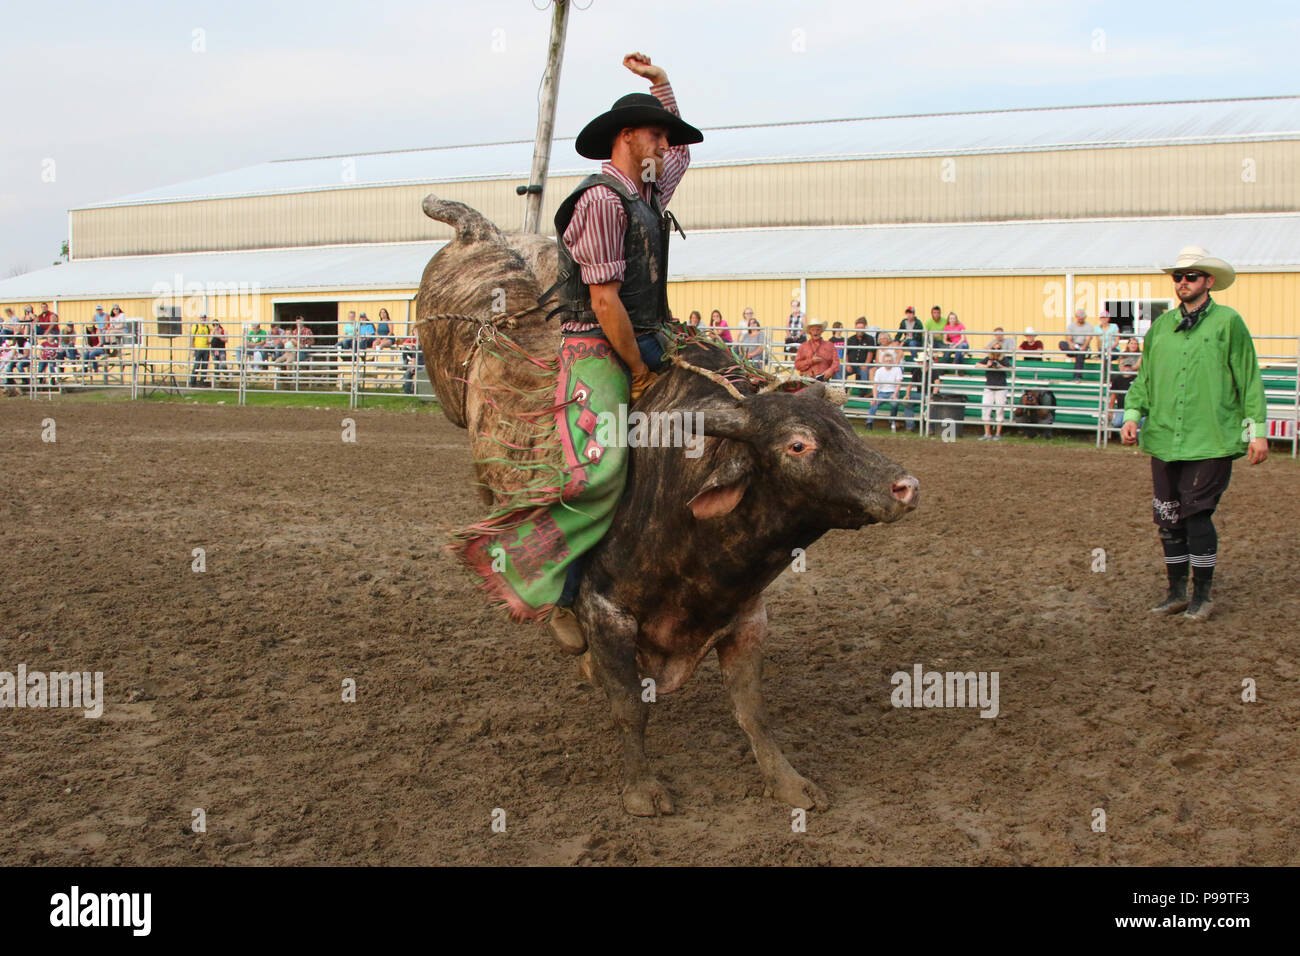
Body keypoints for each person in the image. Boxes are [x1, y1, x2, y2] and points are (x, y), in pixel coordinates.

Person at [453, 51, 700, 653]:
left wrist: (664, 87)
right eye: (656, 134)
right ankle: (543, 580)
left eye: (666, 137)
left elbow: (686, 156)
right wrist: (639, 369)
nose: (666, 146)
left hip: (652, 337)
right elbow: (606, 300)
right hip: (600, 348)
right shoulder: (599, 202)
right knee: (603, 467)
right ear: (627, 138)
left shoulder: (644, 189)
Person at [1120, 246, 1268, 622]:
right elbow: (1145, 380)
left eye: (1191, 276)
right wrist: (1133, 414)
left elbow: (1248, 379)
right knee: (1168, 517)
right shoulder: (1160, 328)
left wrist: (1257, 431)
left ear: (1209, 282)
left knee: (1197, 513)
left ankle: (1203, 595)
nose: (1183, 283)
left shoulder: (1228, 323)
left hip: (1211, 438)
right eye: (1178, 277)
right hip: (1166, 437)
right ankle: (1176, 592)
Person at [976, 327, 1012, 441]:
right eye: (994, 348)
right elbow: (977, 365)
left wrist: (1000, 367)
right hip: (989, 386)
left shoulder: (1003, 359)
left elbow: (1011, 369)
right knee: (986, 409)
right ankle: (987, 433)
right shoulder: (988, 358)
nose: (996, 350)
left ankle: (998, 434)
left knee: (999, 410)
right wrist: (987, 365)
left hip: (1001, 387)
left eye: (998, 348)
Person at [867, 347, 913, 431]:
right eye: (886, 361)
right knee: (874, 403)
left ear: (892, 361)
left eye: (890, 361)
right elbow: (875, 385)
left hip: (892, 392)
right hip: (881, 393)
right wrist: (875, 397)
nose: (888, 362)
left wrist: (895, 394)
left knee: (894, 403)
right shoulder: (879, 371)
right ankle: (869, 423)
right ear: (883, 362)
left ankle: (892, 422)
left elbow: (899, 383)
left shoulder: (897, 369)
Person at [1108, 336, 1141, 426]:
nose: (1133, 345)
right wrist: (1127, 370)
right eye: (1132, 343)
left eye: (1135, 343)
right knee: (1117, 423)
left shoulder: (1141, 355)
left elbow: (1138, 366)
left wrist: (1129, 370)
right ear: (1128, 344)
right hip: (1124, 379)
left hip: (1135, 377)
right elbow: (1121, 366)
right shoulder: (1123, 354)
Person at [1059, 308, 1096, 381]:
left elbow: (1088, 339)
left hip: (1083, 347)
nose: (1080, 318)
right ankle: (1076, 352)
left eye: (1082, 317)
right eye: (1079, 316)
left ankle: (1077, 376)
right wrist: (1071, 344)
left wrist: (1083, 347)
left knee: (1080, 353)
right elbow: (1068, 337)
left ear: (1085, 317)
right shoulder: (1071, 326)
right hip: (1073, 346)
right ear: (1076, 317)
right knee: (1062, 343)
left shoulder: (1089, 326)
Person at [845, 317, 875, 384]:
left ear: (865, 328)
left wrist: (866, 364)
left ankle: (862, 393)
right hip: (851, 364)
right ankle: (842, 390)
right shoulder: (850, 339)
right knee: (840, 369)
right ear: (855, 328)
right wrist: (847, 365)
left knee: (864, 372)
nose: (860, 330)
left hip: (863, 364)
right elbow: (846, 353)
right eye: (858, 328)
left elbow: (870, 352)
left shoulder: (870, 339)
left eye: (861, 328)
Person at [189, 314, 211, 387]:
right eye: (202, 318)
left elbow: (212, 334)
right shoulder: (196, 326)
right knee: (196, 365)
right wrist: (192, 349)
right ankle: (193, 381)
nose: (203, 319)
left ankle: (203, 381)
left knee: (204, 366)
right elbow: (192, 338)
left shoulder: (207, 327)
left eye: (204, 318)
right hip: (198, 349)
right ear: (199, 319)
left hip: (206, 349)